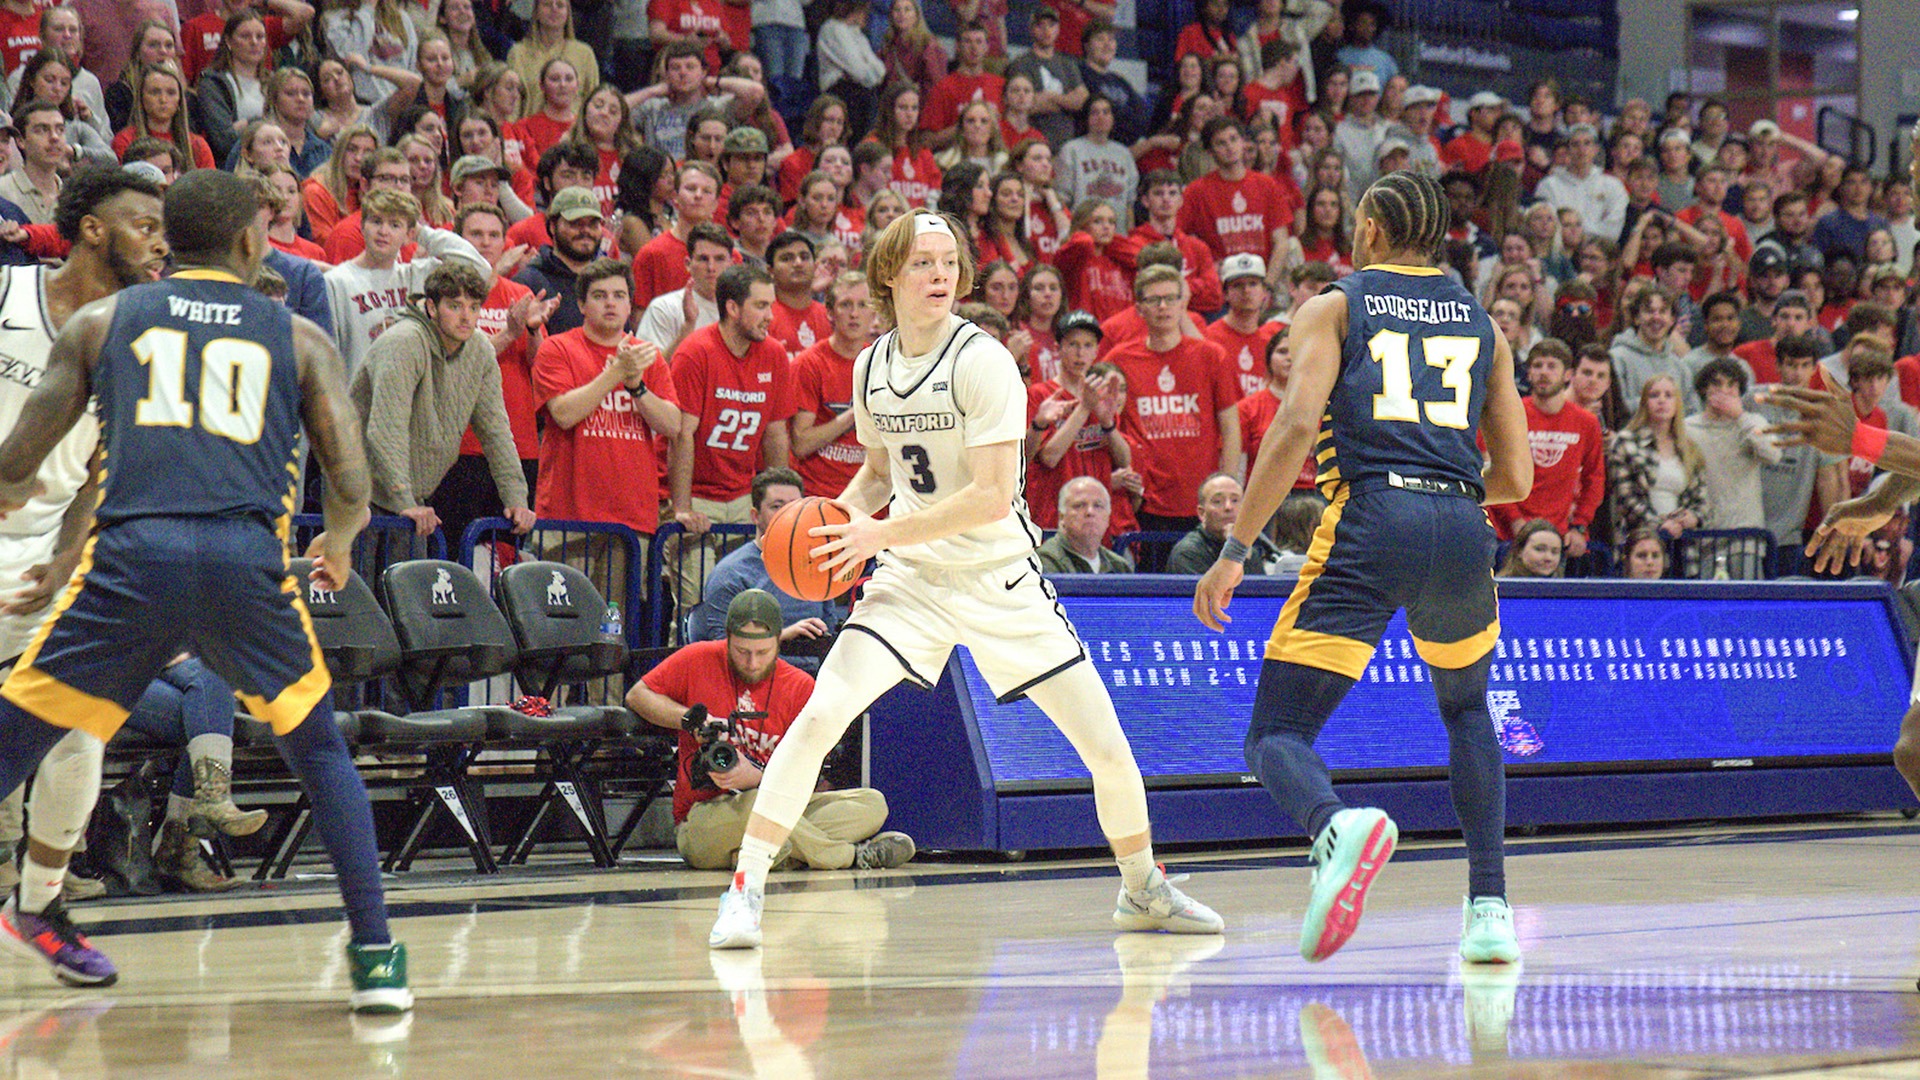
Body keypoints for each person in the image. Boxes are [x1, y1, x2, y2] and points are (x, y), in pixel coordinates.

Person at [706, 209, 1224, 949]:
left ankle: (1143, 888)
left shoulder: (981, 361)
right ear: (889, 274)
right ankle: (745, 889)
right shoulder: (871, 364)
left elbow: (988, 494)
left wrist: (875, 531)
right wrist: (837, 527)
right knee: (822, 717)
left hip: (998, 576)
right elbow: (880, 472)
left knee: (1106, 746)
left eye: (950, 261)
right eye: (924, 262)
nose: (942, 274)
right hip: (911, 581)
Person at [0, 168, 410, 1011]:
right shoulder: (298, 337)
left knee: (21, 737)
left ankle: (37, 902)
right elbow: (350, 476)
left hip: (128, 563)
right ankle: (375, 960)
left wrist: (15, 506)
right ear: (253, 242)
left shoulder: (100, 320)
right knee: (321, 752)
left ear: (167, 243)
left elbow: (16, 464)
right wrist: (336, 540)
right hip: (241, 564)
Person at [1192, 171, 1533, 966]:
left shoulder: (1336, 304)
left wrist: (1236, 549)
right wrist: (1442, 488)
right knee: (1467, 712)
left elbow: (1295, 425)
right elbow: (1515, 477)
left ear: (1373, 231)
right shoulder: (1486, 325)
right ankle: (1489, 910)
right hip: (1461, 526)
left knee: (1277, 732)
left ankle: (1333, 826)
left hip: (1372, 519)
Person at [630, 588, 909, 872]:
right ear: (727, 640)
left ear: (779, 640)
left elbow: (811, 775)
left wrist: (759, 777)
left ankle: (766, 855)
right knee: (757, 805)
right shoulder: (698, 658)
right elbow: (638, 695)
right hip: (703, 820)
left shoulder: (800, 687)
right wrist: (688, 719)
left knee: (872, 804)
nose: (752, 663)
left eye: (762, 652)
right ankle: (847, 857)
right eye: (741, 652)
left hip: (775, 801)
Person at [350, 260, 537, 541]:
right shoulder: (404, 342)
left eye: (474, 307)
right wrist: (406, 501)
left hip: (412, 499)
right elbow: (386, 431)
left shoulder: (480, 350)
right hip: (357, 495)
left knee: (409, 583)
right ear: (431, 307)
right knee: (358, 584)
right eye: (455, 305)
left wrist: (517, 499)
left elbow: (496, 430)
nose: (466, 316)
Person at [531, 258, 685, 559]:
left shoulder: (648, 355)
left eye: (619, 296)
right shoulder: (557, 348)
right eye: (599, 296)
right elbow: (563, 414)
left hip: (632, 516)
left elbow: (672, 424)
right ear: (582, 305)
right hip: (568, 514)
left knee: (620, 608)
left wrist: (637, 386)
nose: (610, 304)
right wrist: (616, 373)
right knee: (566, 605)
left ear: (630, 305)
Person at [666, 264, 794, 607]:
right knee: (699, 601)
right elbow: (682, 434)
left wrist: (782, 500)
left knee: (753, 597)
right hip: (698, 494)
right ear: (733, 308)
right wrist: (681, 508)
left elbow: (776, 433)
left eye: (772, 305)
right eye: (761, 306)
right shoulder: (696, 352)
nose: (770, 316)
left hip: (743, 494)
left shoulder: (774, 355)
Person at [1106, 265, 1241, 536]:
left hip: (1202, 500)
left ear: (1183, 304)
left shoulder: (1212, 356)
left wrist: (1226, 485)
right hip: (1145, 501)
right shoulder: (1119, 360)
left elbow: (1230, 426)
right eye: (1154, 300)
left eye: (1170, 298)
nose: (1163, 306)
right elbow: (1108, 423)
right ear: (1139, 308)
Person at [321, 188, 490, 377]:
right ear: (362, 226)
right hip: (359, 399)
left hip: (412, 399)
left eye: (394, 225)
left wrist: (423, 234)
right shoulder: (336, 282)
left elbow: (480, 270)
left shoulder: (418, 275)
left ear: (409, 233)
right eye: (376, 222)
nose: (383, 231)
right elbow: (327, 355)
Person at [685, 468, 840, 656]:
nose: (787, 514)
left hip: (815, 677)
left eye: (794, 507)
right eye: (777, 506)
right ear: (755, 516)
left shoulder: (818, 565)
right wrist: (781, 637)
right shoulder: (731, 573)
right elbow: (720, 647)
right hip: (758, 678)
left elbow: (829, 632)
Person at [1487, 340, 1605, 556]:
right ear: (1528, 373)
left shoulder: (1587, 422)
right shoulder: (1508, 413)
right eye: (1537, 366)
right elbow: (1495, 471)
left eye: (1551, 366)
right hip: (1506, 535)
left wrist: (1580, 526)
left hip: (1559, 537)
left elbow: (1594, 480)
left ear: (1568, 374)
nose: (1544, 372)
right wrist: (1515, 520)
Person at [790, 271, 875, 500]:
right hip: (818, 496)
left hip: (870, 500)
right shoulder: (809, 364)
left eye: (863, 305)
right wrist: (854, 414)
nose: (854, 314)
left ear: (874, 311)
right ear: (829, 312)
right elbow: (801, 443)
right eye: (845, 305)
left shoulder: (882, 362)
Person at [1684, 357, 1780, 540]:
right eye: (1717, 384)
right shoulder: (1687, 428)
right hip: (1703, 533)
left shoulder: (1754, 422)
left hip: (1745, 534)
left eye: (1731, 385)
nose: (1724, 391)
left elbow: (1773, 455)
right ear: (1704, 388)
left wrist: (1740, 417)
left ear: (1740, 391)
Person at [1609, 375, 1708, 537]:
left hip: (1682, 542)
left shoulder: (1690, 448)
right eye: (1654, 395)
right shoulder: (1625, 442)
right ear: (1644, 403)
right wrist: (1660, 526)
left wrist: (1694, 517)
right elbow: (1626, 498)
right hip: (1638, 538)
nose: (1661, 400)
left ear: (1677, 403)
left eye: (1669, 395)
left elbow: (1701, 500)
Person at [634, 220, 730, 362]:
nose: (711, 267)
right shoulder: (663, 308)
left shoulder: (741, 311)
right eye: (703, 259)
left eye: (719, 259)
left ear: (732, 263)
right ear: (688, 264)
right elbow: (648, 373)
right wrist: (687, 329)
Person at [1168, 472, 1271, 573]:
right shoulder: (1187, 552)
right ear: (1202, 513)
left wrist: (1239, 547)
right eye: (1217, 501)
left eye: (1235, 500)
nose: (1228, 507)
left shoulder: (1249, 550)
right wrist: (1234, 550)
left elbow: (1257, 588)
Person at [1036, 475, 1133, 574]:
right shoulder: (1046, 560)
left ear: (1108, 518)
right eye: (1079, 505)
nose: (1090, 512)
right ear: (1061, 517)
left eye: (1098, 506)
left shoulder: (1119, 566)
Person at [1496, 518, 1563, 577]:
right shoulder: (1497, 588)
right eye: (1540, 549)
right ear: (1519, 551)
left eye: (1555, 552)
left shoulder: (1564, 589)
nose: (1548, 558)